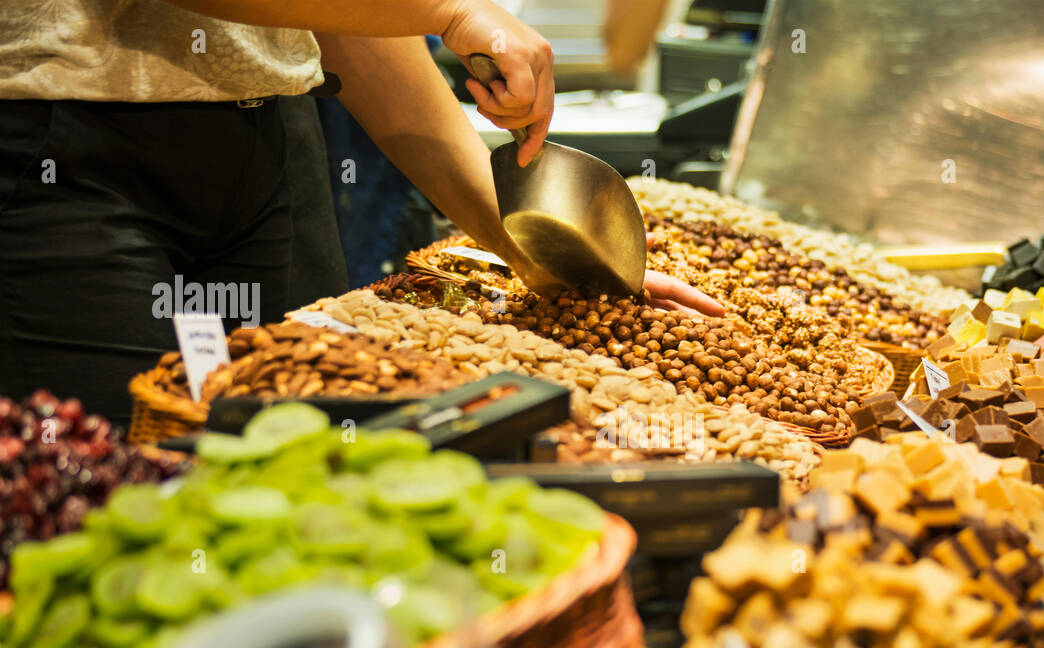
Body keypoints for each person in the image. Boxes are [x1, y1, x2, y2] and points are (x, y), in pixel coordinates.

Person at [0, 0, 721, 425]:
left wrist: (534, 243)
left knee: (285, 475)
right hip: (70, 156)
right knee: (114, 498)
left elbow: (347, 29)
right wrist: (446, 11)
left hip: (264, 140)